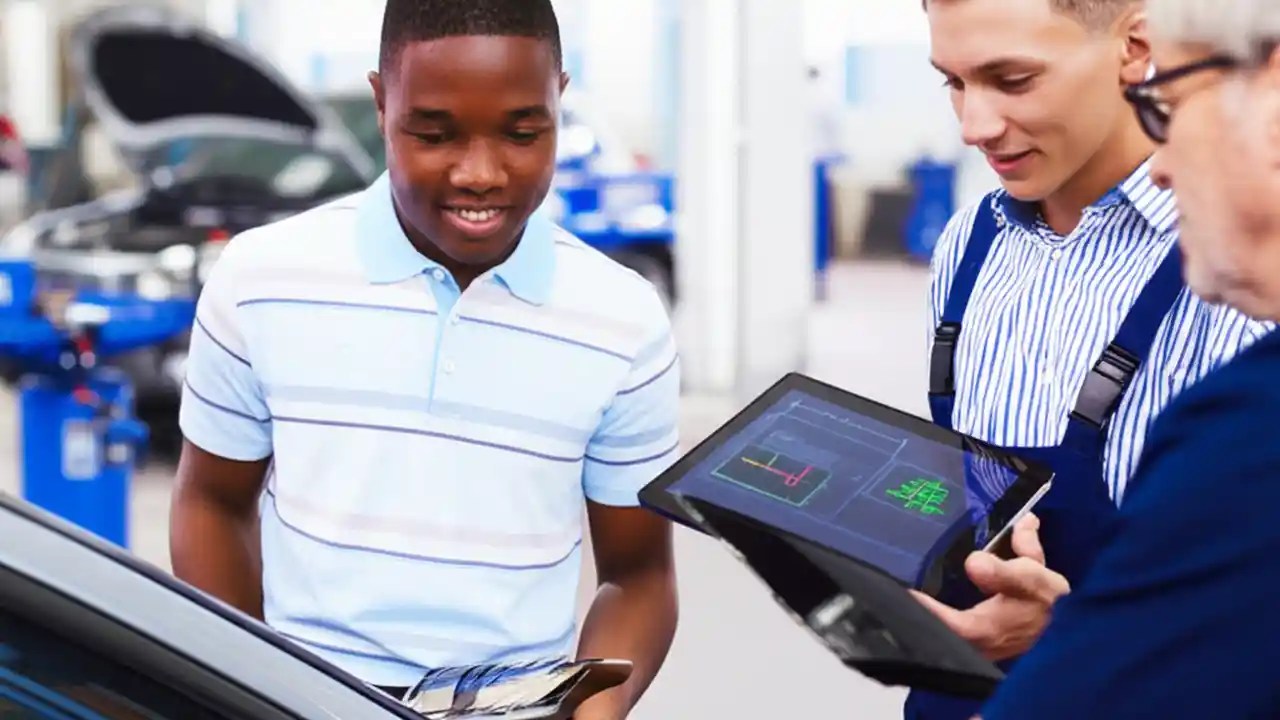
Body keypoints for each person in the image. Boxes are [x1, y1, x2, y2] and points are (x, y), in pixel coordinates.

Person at [168, 1, 681, 717]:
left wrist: (590, 714)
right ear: (383, 104)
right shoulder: (260, 280)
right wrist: (248, 690)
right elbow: (211, 505)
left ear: (559, 99)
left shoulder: (623, 320)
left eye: (523, 133)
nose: (480, 173)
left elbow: (639, 574)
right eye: (434, 133)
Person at [913, 0, 1272, 717]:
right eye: (952, 83)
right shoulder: (967, 246)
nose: (973, 127)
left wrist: (1072, 637)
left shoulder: (1236, 262)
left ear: (1136, 49)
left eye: (1012, 80)